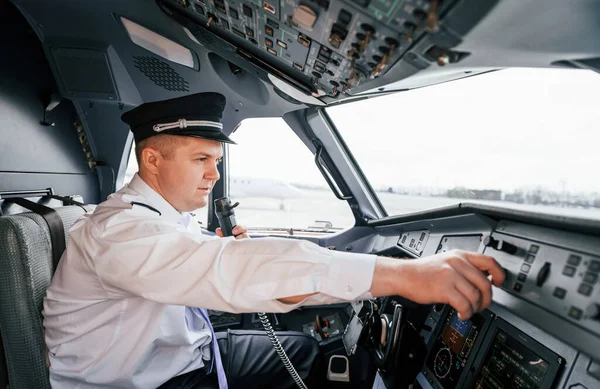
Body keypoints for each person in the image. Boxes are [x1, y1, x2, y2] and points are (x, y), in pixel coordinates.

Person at [42, 92, 505, 389]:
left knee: (303, 349)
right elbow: (229, 270)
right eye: (201, 158)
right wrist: (402, 274)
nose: (213, 174)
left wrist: (230, 249)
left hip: (177, 354)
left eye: (217, 161)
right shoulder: (120, 232)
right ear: (152, 160)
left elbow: (218, 263)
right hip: (142, 381)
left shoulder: (159, 217)